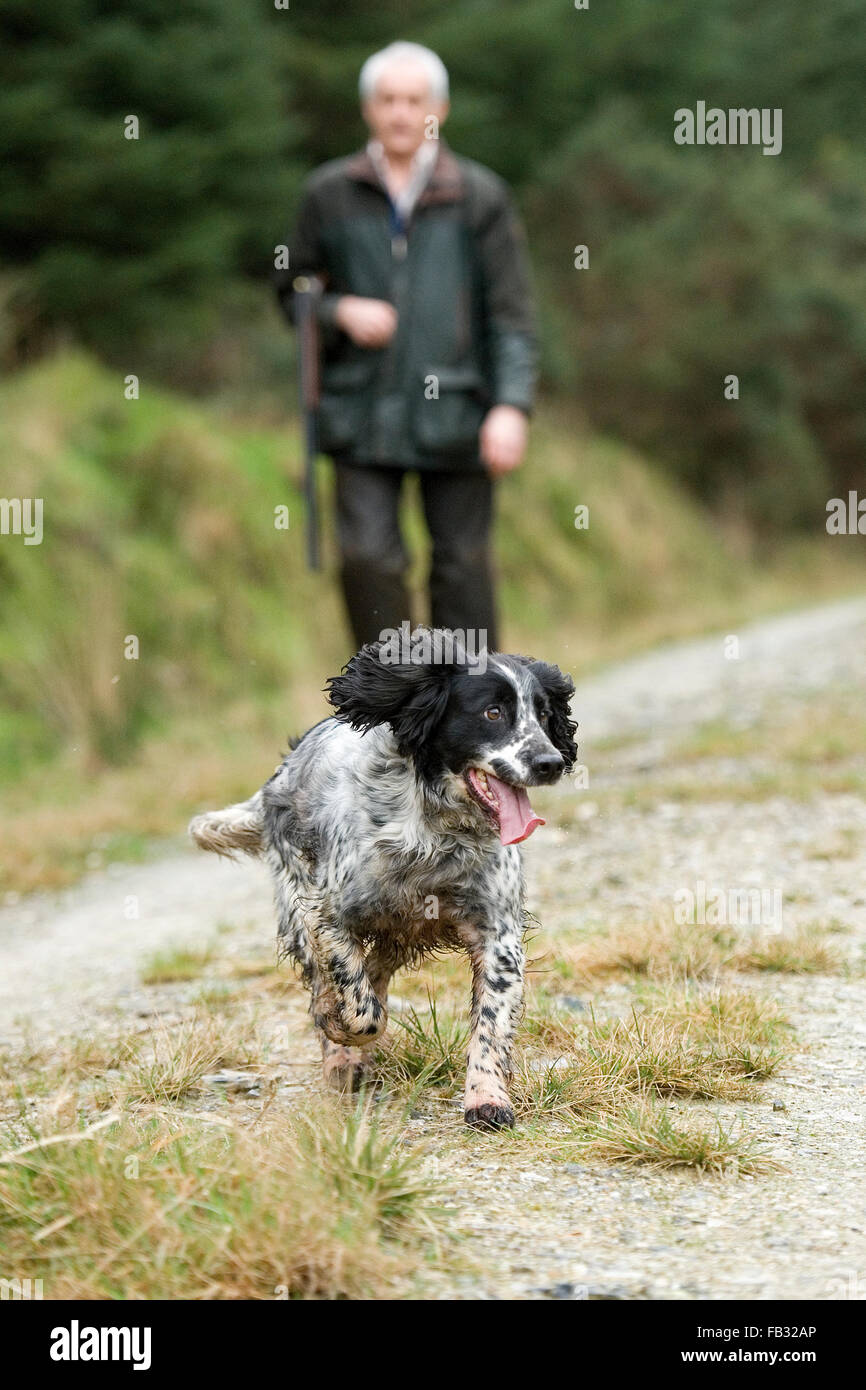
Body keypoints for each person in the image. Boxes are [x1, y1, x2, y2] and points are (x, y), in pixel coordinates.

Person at [277, 41, 537, 651]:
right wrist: (340, 310)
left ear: (439, 109)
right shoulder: (327, 194)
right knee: (368, 559)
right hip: (358, 411)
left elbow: (513, 313)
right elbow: (290, 291)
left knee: (462, 565)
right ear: (368, 109)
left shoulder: (480, 197)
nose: (400, 113)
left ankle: (475, 715)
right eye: (387, 99)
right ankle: (390, 709)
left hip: (460, 409)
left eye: (413, 100)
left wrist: (511, 406)